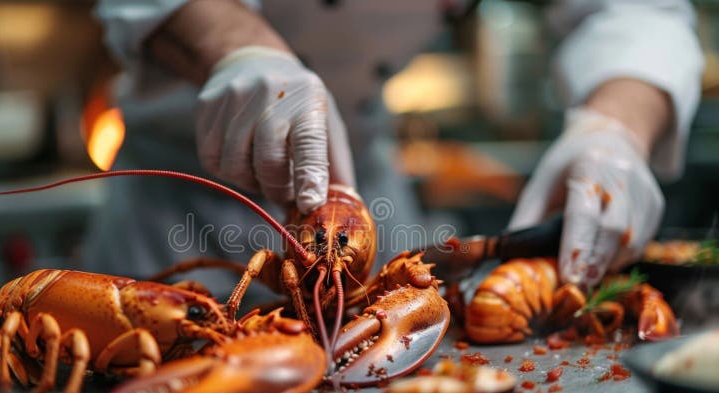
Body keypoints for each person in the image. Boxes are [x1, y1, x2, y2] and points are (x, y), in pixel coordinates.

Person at [88, 0, 703, 293]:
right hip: (177, 196)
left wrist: (615, 128)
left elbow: (631, 11)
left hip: (368, 178)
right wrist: (240, 48)